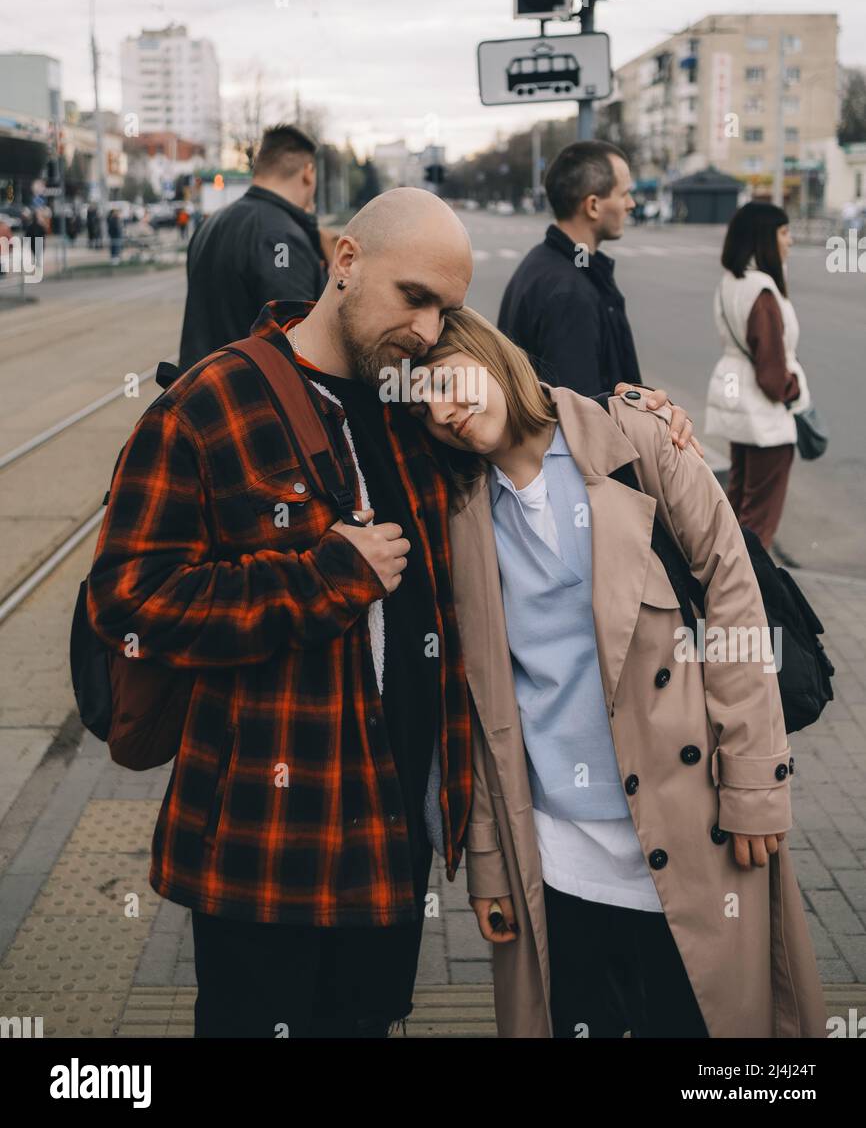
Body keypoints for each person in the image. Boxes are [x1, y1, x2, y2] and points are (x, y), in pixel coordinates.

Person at [87, 187, 699, 1039]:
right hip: (263, 849)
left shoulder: (415, 411)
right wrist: (323, 576)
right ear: (345, 261)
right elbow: (130, 604)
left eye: (447, 307)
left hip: (389, 848)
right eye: (414, 296)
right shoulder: (208, 404)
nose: (425, 327)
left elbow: (527, 430)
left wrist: (638, 421)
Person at [409, 306, 827, 1039]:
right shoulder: (459, 509)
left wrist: (757, 782)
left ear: (487, 352)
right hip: (553, 851)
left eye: (447, 380)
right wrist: (487, 860)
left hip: (692, 820)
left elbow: (733, 592)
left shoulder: (632, 437)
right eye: (426, 410)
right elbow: (475, 704)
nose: (446, 411)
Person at [497, 141, 644, 399]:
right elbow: (579, 415)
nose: (631, 204)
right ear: (593, 206)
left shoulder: (550, 263)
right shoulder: (569, 291)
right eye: (624, 194)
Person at [178, 124, 327, 373]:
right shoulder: (282, 236)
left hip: (203, 390)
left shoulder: (211, 223)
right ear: (308, 173)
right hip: (248, 400)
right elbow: (298, 345)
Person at [705, 202, 810, 550]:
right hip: (765, 417)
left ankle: (720, 585)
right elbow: (771, 373)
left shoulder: (729, 283)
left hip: (738, 406)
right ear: (764, 238)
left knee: (737, 504)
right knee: (759, 520)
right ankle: (751, 592)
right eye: (783, 232)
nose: (790, 241)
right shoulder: (762, 291)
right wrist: (793, 391)